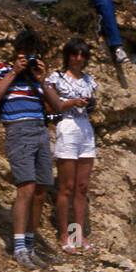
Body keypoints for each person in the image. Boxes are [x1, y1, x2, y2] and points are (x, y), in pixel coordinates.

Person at [0, 30, 65, 267]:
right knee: (26, 188)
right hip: (18, 131)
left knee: (40, 190)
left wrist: (41, 80)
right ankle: (19, 247)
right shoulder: (2, 69)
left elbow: (58, 106)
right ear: (16, 52)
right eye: (25, 53)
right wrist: (14, 72)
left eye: (33, 54)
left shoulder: (36, 77)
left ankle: (30, 246)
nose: (29, 57)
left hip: (40, 130)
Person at [45, 39, 99, 254]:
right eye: (74, 54)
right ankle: (63, 234)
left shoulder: (89, 80)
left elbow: (91, 105)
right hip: (66, 126)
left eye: (82, 55)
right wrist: (72, 102)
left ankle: (78, 233)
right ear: (67, 56)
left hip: (85, 128)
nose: (78, 59)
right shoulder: (56, 78)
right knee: (66, 186)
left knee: (82, 187)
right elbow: (53, 105)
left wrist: (89, 105)